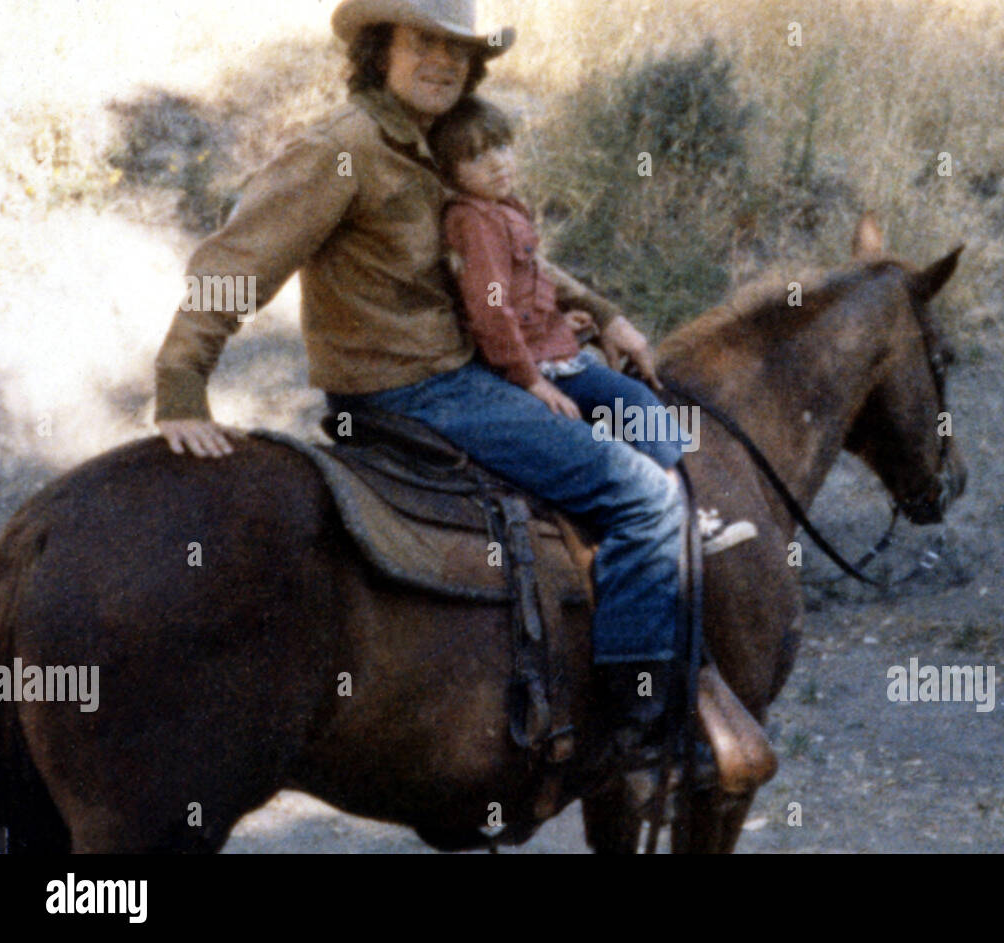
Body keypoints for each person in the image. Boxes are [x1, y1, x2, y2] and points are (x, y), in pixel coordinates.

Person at [150, 0, 706, 767]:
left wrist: (598, 309)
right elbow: (238, 259)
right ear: (381, 49)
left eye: (457, 49)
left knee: (639, 422)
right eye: (423, 42)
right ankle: (632, 716)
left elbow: (504, 257)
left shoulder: (430, 144)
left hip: (461, 373)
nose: (442, 61)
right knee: (644, 494)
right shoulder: (342, 149)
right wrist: (182, 379)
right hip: (418, 391)